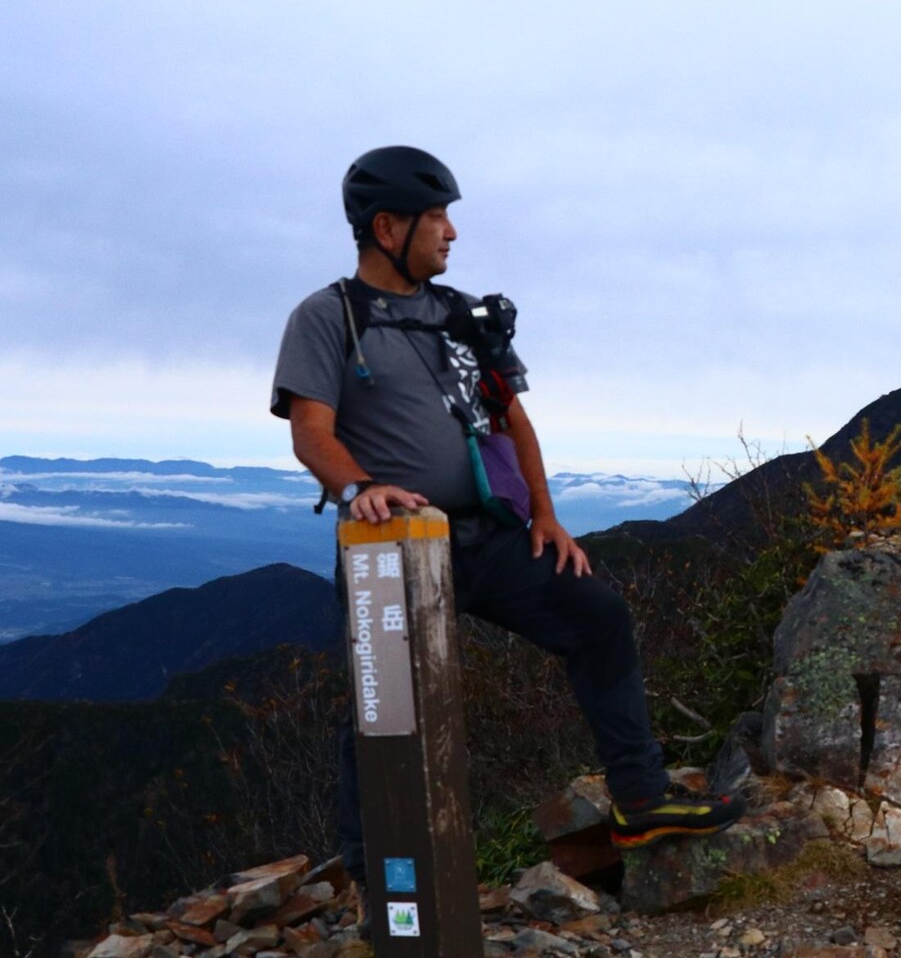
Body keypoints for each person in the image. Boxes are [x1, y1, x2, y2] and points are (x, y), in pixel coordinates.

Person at [270, 145, 744, 891]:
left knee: (597, 617)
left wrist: (547, 516)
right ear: (386, 227)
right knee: (382, 703)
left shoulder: (463, 317)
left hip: (487, 536)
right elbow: (310, 430)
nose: (451, 233)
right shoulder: (330, 316)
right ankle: (371, 879)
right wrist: (360, 485)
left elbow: (513, 421)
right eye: (437, 218)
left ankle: (642, 799)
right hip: (392, 544)